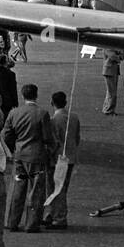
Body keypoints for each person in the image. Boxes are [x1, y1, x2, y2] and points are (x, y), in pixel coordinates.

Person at [2, 83, 54, 233]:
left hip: (19, 155)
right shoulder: (42, 113)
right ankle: (31, 223)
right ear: (36, 95)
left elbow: (6, 135)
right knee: (36, 191)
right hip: (36, 157)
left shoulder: (14, 113)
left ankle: (12, 221)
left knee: (18, 189)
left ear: (23, 95)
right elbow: (47, 137)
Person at [42, 91, 80, 230]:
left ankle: (59, 218)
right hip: (70, 157)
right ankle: (51, 215)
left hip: (57, 159)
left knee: (56, 188)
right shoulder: (74, 117)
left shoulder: (53, 120)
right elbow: (77, 137)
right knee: (62, 187)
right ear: (65, 102)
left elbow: (53, 142)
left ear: (52, 103)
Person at [101, 49, 124, 115]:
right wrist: (119, 55)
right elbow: (113, 56)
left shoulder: (114, 48)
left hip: (114, 71)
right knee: (112, 92)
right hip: (109, 71)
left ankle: (107, 108)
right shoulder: (107, 47)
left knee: (111, 92)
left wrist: (119, 54)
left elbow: (122, 56)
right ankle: (109, 110)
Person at [0, 56, 17, 120]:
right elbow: (13, 89)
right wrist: (15, 102)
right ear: (5, 62)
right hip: (6, 101)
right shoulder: (10, 74)